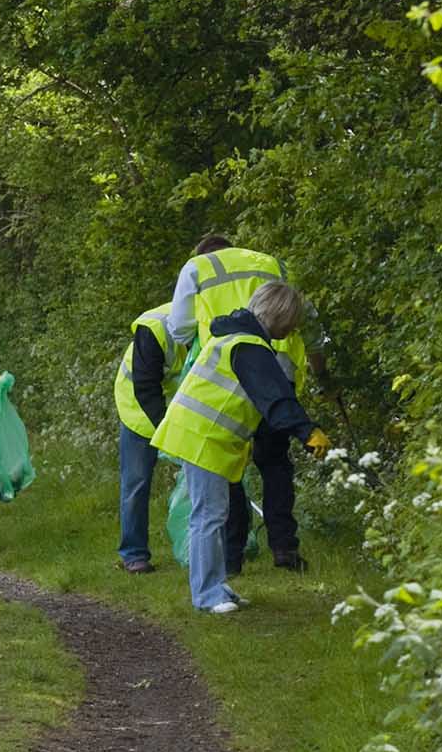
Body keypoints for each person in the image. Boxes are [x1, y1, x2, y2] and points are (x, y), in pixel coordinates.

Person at [150, 281, 331, 613]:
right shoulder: (249, 346)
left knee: (214, 514)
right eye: (291, 322)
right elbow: (275, 397)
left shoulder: (235, 337)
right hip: (202, 437)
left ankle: (216, 587)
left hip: (201, 435)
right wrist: (307, 431)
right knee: (208, 516)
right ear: (279, 316)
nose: (292, 330)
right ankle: (207, 595)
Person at [165, 233, 323, 572]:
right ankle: (283, 547)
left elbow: (178, 330)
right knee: (274, 465)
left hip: (224, 382)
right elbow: (310, 325)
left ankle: (232, 556)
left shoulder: (198, 270)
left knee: (230, 473)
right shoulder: (275, 265)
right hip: (272, 372)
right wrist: (308, 425)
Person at [113, 301, 183, 574]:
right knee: (137, 482)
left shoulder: (213, 319)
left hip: (183, 408)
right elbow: (146, 388)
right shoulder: (155, 327)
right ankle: (134, 554)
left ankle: (226, 547)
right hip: (139, 409)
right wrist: (169, 433)